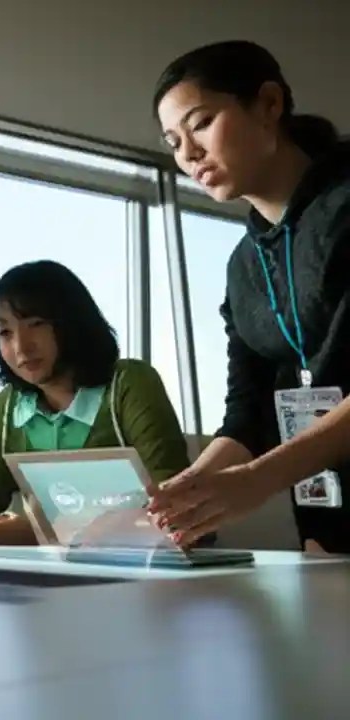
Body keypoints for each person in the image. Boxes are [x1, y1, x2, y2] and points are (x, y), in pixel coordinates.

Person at [148, 40, 350, 553]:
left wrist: (259, 478)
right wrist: (184, 492)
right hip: (331, 530)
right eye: (173, 141)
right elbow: (249, 411)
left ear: (269, 105)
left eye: (200, 123)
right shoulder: (244, 265)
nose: (188, 154)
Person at [0, 261, 189, 545]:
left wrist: (38, 533)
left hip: (151, 570)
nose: (21, 346)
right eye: (5, 332)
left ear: (72, 322)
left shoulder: (129, 383)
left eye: (36, 324)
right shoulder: (8, 406)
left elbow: (175, 500)